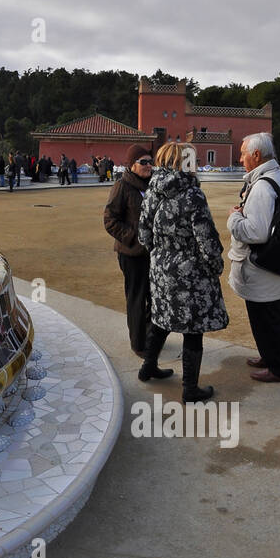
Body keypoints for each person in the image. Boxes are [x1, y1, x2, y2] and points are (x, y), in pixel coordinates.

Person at [138, 140, 227, 402]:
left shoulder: (152, 190)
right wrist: (215, 265)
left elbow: (144, 233)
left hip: (161, 270)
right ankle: (190, 389)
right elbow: (206, 239)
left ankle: (147, 367)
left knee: (162, 319)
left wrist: (162, 255)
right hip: (190, 273)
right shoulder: (192, 194)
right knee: (192, 328)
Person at [227, 132, 280, 384]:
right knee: (273, 319)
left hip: (263, 268)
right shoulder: (279, 179)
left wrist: (234, 218)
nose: (240, 159)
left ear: (256, 155)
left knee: (266, 320)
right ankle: (269, 356)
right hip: (279, 265)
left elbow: (256, 233)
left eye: (243, 153)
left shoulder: (261, 187)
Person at [105, 144, 161, 382]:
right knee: (137, 297)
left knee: (153, 295)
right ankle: (138, 343)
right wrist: (133, 237)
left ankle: (148, 335)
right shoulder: (123, 186)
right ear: (132, 165)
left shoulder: (153, 185)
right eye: (144, 162)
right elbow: (110, 220)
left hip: (152, 253)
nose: (149, 166)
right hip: (131, 254)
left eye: (150, 161)